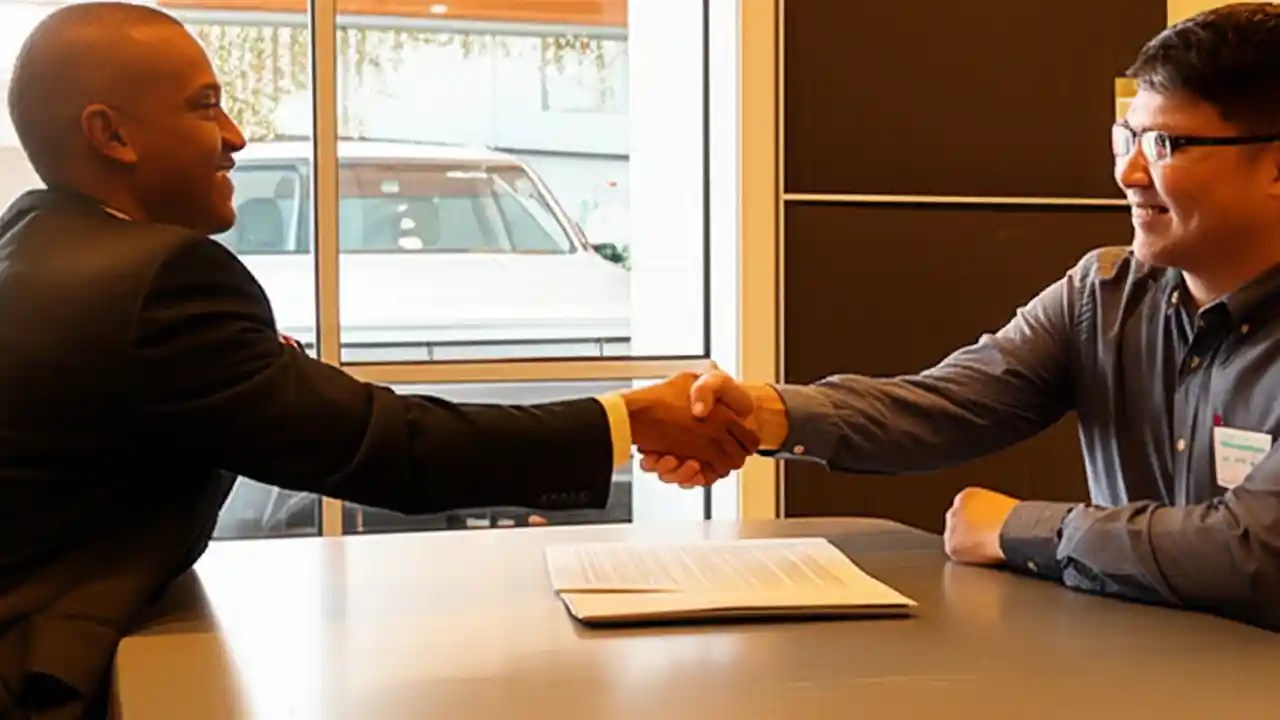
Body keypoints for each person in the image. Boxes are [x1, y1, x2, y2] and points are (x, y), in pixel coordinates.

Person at [0, 3, 757, 716]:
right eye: (205, 107)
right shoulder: (157, 279)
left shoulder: (33, 241)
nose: (235, 136)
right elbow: (384, 446)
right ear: (111, 135)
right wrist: (630, 418)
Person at [647, 3, 1280, 632]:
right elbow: (947, 405)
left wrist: (1015, 528)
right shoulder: (1106, 294)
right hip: (1138, 667)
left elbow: (1253, 550)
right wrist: (759, 415)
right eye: (1126, 138)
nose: (1128, 172)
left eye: (1164, 145)